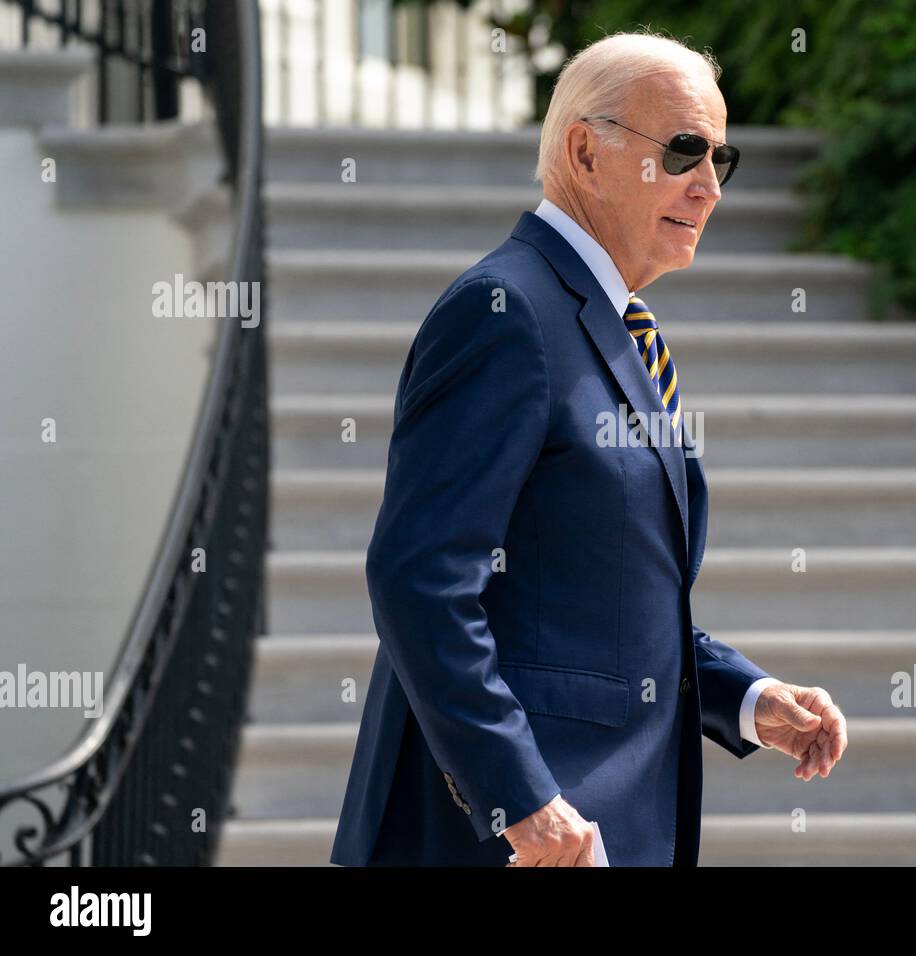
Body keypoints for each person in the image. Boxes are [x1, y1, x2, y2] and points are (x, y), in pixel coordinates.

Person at [329, 31, 847, 868]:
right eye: (683, 151)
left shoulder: (613, 327)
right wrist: (521, 801)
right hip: (506, 840)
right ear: (585, 151)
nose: (709, 186)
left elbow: (588, 592)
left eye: (723, 158)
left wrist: (746, 698)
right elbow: (420, 580)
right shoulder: (504, 313)